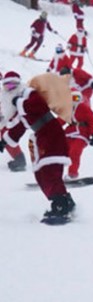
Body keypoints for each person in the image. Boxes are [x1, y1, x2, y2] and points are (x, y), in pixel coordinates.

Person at [1, 71, 75, 224]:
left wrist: (19, 102)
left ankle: (61, 206)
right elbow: (19, 127)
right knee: (41, 174)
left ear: (19, 84)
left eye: (12, 85)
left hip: (52, 134)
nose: (9, 88)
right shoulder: (20, 105)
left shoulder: (28, 94)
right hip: (42, 137)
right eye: (6, 86)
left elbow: (38, 106)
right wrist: (4, 142)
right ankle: (63, 201)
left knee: (50, 171)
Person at [65, 89, 93, 180]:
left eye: (77, 98)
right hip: (69, 133)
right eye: (73, 98)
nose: (75, 100)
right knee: (60, 151)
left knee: (74, 152)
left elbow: (92, 120)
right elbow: (61, 120)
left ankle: (72, 174)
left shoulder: (83, 107)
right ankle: (53, 174)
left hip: (82, 133)